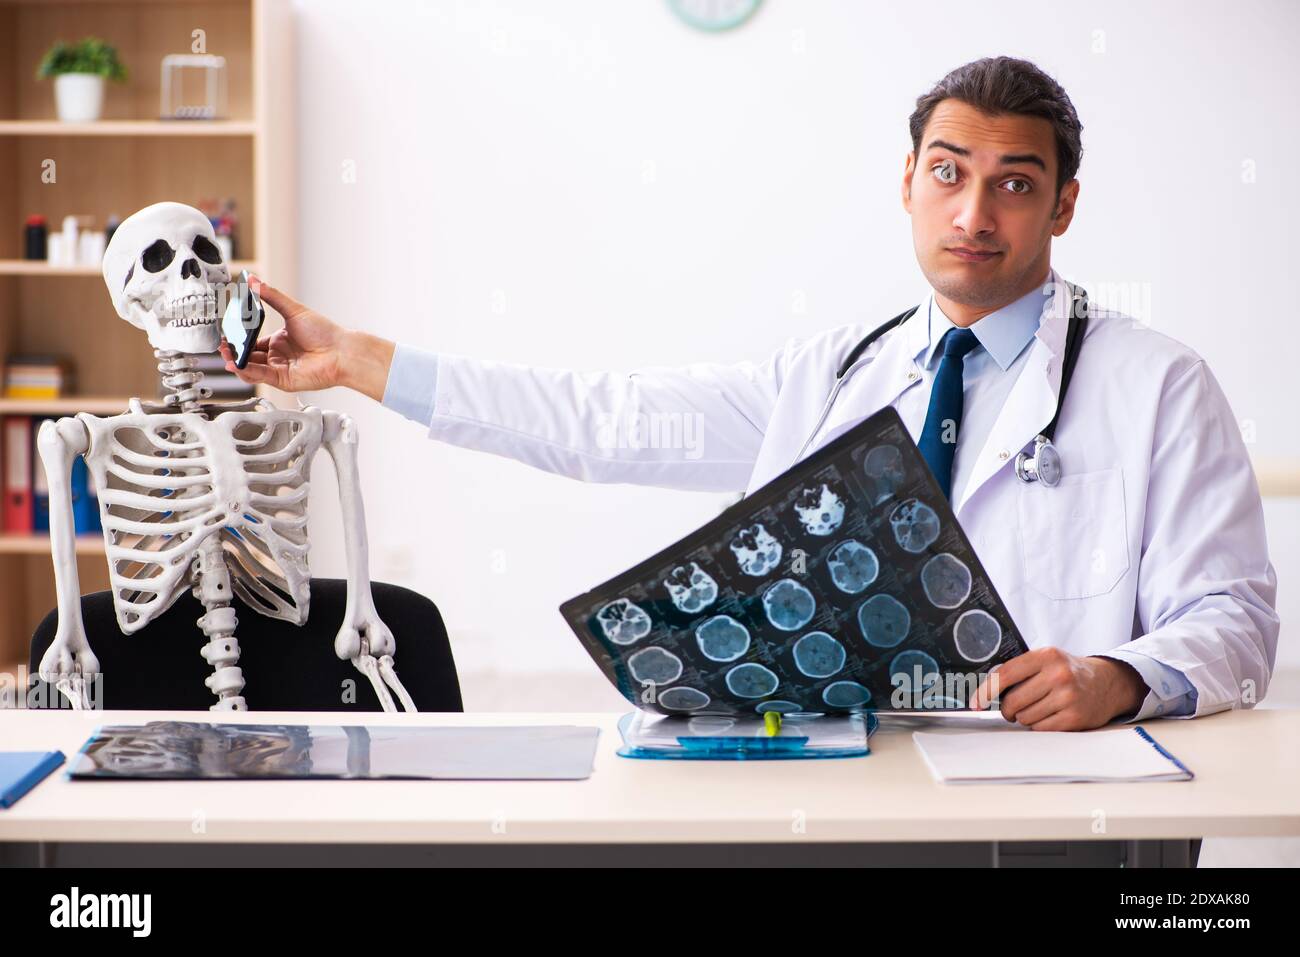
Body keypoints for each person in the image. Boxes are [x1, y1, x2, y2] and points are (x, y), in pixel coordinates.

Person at [221, 56, 1278, 732]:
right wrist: (355, 359)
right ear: (906, 182)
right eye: (949, 173)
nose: (974, 211)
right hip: (858, 779)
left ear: (1062, 207)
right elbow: (604, 421)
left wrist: (1122, 676)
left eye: (1014, 182)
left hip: (1056, 794)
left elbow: (1233, 617)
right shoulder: (829, 377)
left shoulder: (1156, 384)